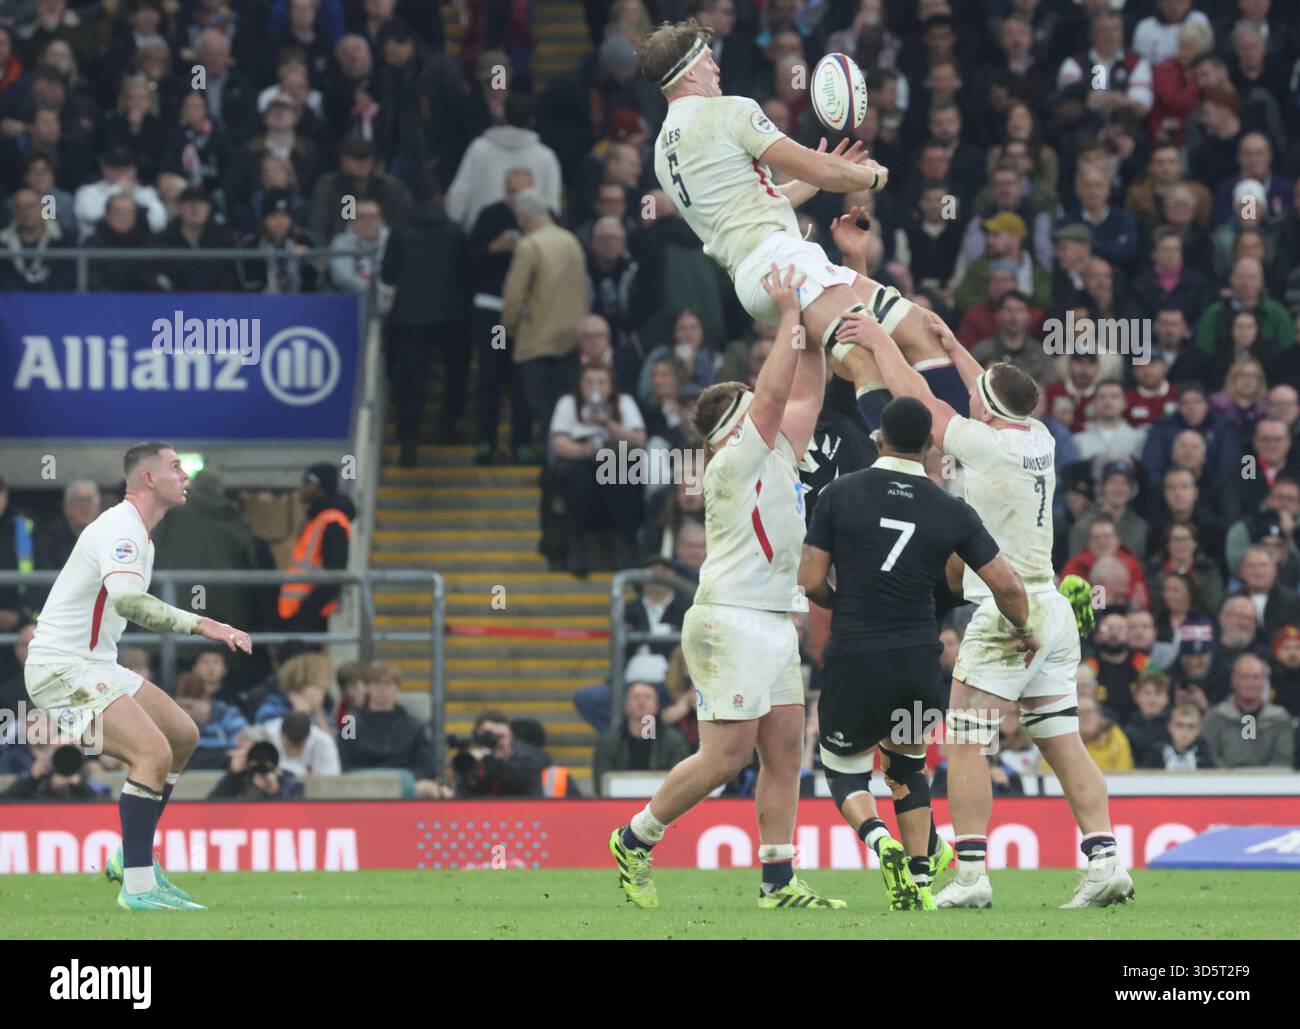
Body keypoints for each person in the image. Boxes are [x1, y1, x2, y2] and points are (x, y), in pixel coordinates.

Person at [836, 313, 1133, 908]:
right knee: (1063, 741)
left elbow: (920, 401)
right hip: (1051, 605)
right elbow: (988, 391)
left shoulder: (983, 445)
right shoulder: (1039, 437)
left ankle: (970, 876)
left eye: (977, 394)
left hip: (1007, 610)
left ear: (988, 409)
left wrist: (877, 341)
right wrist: (953, 345)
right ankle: (1105, 863)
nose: (970, 397)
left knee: (968, 741)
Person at [608, 260, 846, 911]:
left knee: (783, 749)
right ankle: (635, 836)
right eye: (751, 407)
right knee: (726, 757)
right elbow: (774, 398)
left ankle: (777, 881)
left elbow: (805, 398)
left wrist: (819, 335)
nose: (765, 409)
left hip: (771, 619)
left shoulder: (770, 452)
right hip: (729, 618)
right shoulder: (733, 459)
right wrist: (791, 314)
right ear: (731, 426)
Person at [635, 18, 970, 435]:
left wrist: (816, 176)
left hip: (764, 269)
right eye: (707, 60)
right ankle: (904, 464)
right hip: (781, 261)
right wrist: (871, 177)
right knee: (865, 355)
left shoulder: (662, 149)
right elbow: (819, 167)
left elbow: (751, 207)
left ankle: (961, 440)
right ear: (688, 71)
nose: (716, 68)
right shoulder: (729, 110)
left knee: (922, 328)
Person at [798, 396, 1030, 910]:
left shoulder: (839, 493)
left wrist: (847, 605)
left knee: (842, 766)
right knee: (907, 766)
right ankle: (921, 884)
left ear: (878, 438)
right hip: (919, 661)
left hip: (856, 654)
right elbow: (1008, 586)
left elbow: (810, 580)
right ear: (930, 445)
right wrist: (1025, 628)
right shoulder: (951, 508)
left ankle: (882, 844)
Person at [23, 442, 252, 911]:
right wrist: (202, 623)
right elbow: (127, 600)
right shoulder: (122, 528)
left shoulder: (139, 534)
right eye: (175, 468)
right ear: (149, 479)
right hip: (60, 666)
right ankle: (139, 886)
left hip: (94, 664)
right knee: (152, 752)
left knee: (182, 735)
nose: (184, 476)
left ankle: (131, 855)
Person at [278, 463, 354, 636]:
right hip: (300, 614)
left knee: (303, 662)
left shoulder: (332, 522)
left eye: (307, 483)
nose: (302, 489)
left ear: (320, 488)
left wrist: (306, 611)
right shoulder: (318, 519)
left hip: (307, 616)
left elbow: (335, 574)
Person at [592, 682, 691, 796]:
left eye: (647, 697)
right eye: (636, 697)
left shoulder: (673, 741)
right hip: (619, 803)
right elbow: (601, 783)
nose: (641, 701)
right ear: (626, 705)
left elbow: (681, 781)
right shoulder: (609, 741)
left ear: (657, 706)